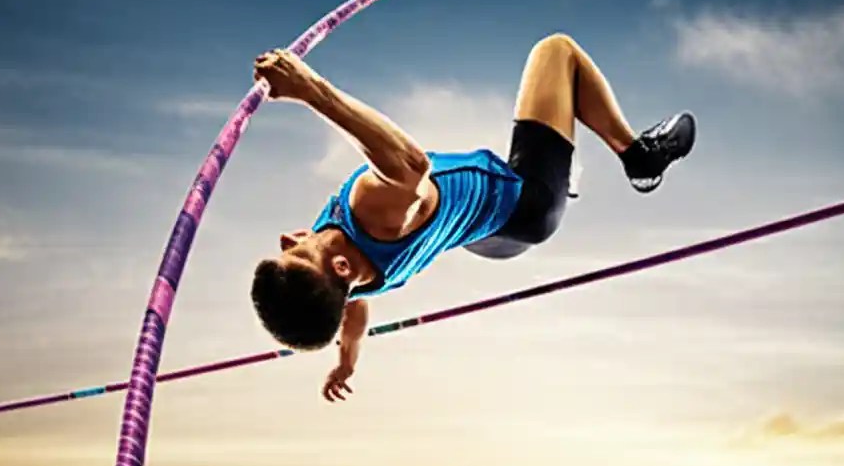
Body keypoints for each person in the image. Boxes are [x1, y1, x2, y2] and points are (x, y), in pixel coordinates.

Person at [249, 33, 696, 402]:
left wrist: (347, 362)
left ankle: (566, 175)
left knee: (531, 182)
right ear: (341, 267)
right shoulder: (373, 211)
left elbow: (353, 314)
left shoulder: (355, 282)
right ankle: (639, 157)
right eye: (300, 253)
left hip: (493, 241)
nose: (290, 239)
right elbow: (410, 165)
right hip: (527, 202)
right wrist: (310, 88)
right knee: (556, 52)